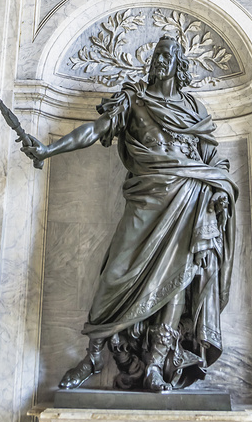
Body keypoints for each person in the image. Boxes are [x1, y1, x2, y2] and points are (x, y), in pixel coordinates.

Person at [21, 37, 237, 392]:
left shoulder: (194, 111)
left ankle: (154, 364)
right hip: (146, 202)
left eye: (168, 55)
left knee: (177, 282)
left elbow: (212, 160)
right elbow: (95, 130)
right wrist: (49, 149)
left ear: (179, 64)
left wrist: (219, 188)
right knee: (114, 275)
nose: (160, 60)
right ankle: (92, 356)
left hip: (187, 202)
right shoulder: (134, 100)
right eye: (157, 54)